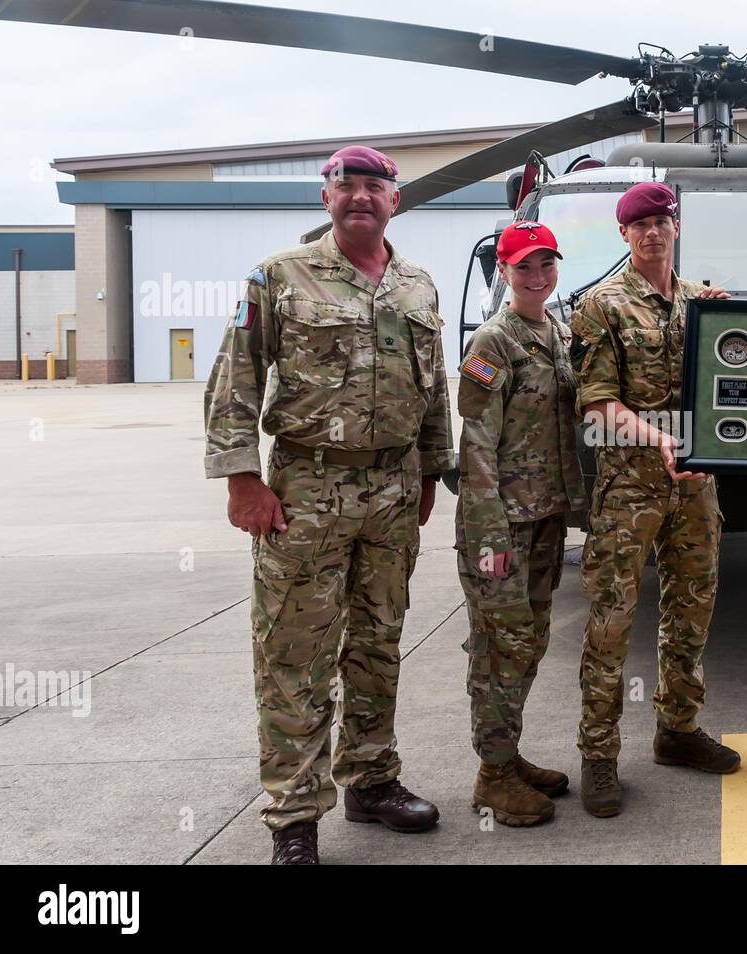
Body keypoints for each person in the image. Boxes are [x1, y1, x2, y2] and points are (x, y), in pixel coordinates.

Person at [203, 145, 453, 864]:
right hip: (306, 492)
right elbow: (236, 379)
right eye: (347, 185)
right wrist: (241, 477)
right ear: (327, 198)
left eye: (376, 186)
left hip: (394, 491)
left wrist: (432, 469)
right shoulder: (279, 275)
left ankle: (372, 780)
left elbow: (432, 389)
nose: (362, 197)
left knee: (377, 643)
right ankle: (293, 816)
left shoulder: (417, 285)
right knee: (295, 653)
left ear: (395, 201)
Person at [568, 181, 737, 818]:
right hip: (629, 486)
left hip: (694, 487)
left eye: (662, 220)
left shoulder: (701, 301)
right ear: (624, 234)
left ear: (676, 226)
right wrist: (660, 438)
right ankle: (599, 754)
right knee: (612, 620)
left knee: (691, 607)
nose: (652, 232)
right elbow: (597, 406)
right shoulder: (600, 305)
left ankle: (678, 730)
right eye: (639, 223)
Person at [456, 221, 585, 826]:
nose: (537, 275)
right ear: (504, 272)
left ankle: (507, 758)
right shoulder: (493, 342)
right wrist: (487, 538)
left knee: (528, 644)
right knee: (499, 649)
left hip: (545, 517)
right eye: (524, 266)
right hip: (502, 524)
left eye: (546, 264)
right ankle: (493, 775)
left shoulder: (556, 333)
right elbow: (475, 446)